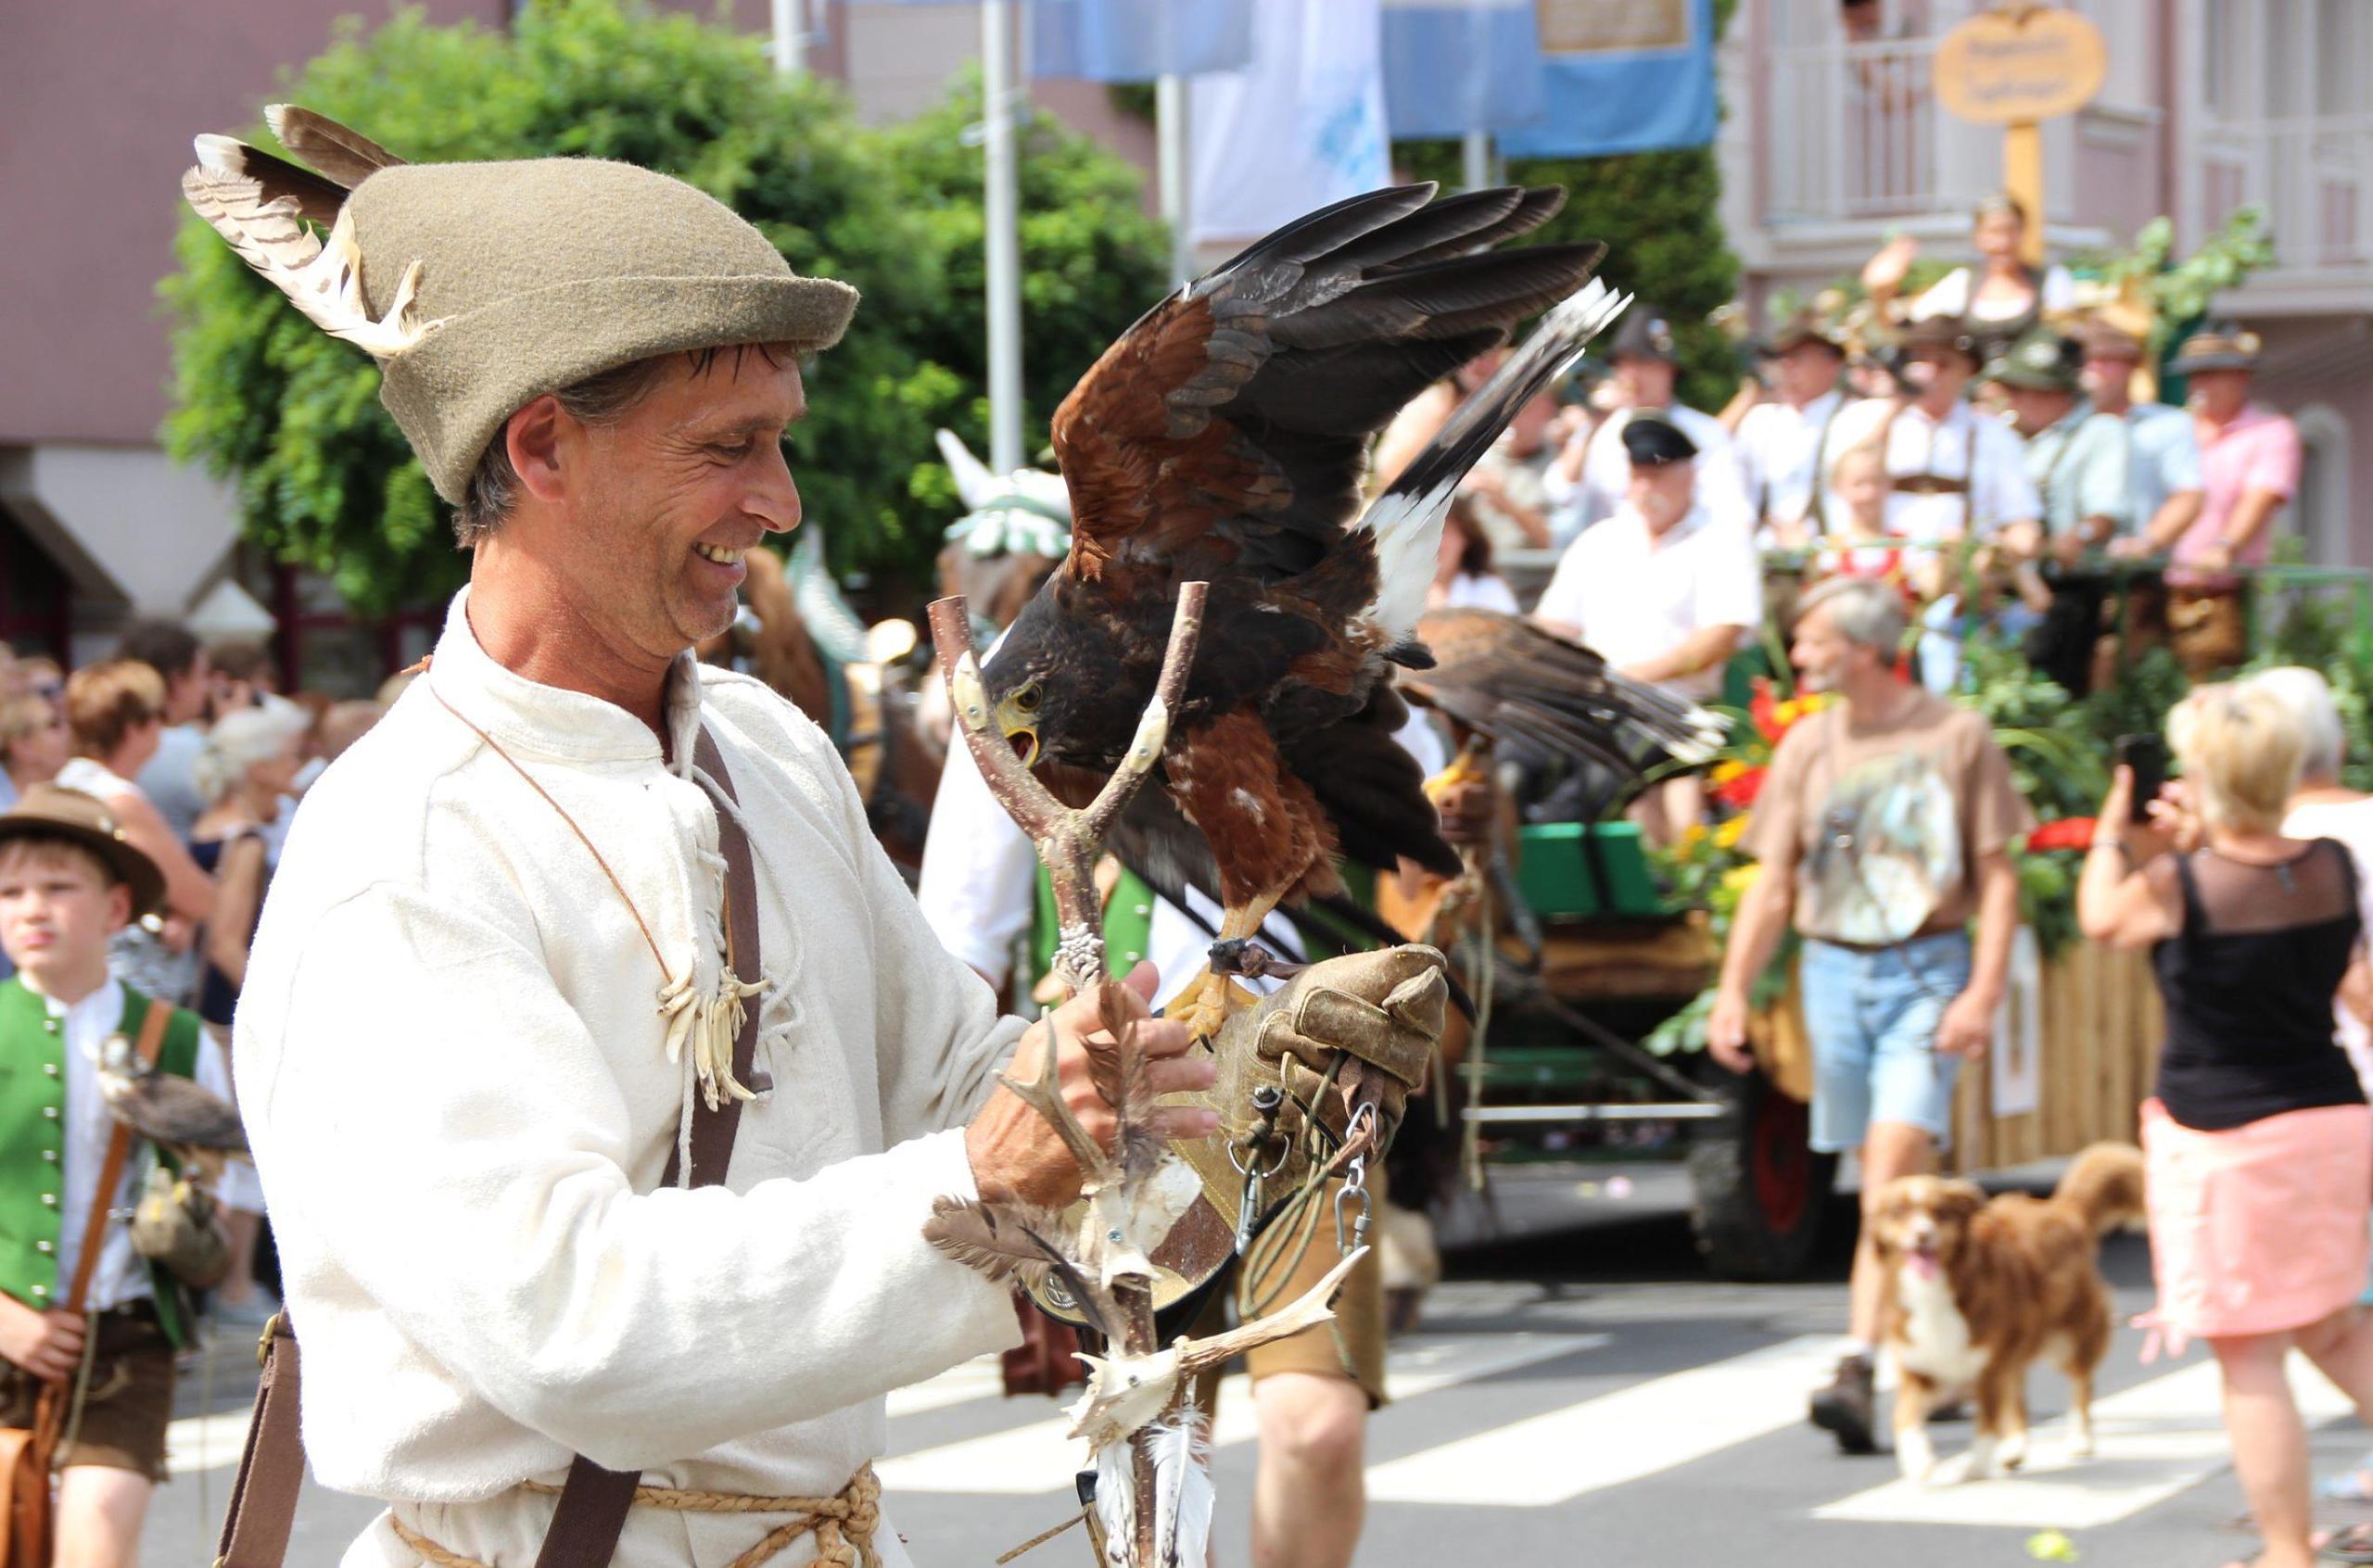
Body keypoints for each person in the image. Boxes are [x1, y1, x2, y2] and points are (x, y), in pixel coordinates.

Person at [184, 126, 1459, 1566]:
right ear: (539, 446)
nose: (779, 501)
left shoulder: (767, 750)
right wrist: (985, 1178)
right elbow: (568, 1327)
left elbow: (958, 1092)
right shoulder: (403, 843)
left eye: (777, 443)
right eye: (728, 448)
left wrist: (1212, 1088)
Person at [917, 691, 1463, 1568]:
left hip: (1311, 1095)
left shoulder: (1337, 647)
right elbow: (961, 939)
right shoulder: (1035, 667)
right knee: (1152, 1445)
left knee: (1317, 1429)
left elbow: (1423, 854)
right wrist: (996, 1151)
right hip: (1132, 1107)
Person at [1707, 575, 2030, 1453]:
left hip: (1929, 970)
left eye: (1811, 640)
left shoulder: (1957, 738)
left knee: (1889, 1178)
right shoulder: (1810, 744)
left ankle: (1859, 1363)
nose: (1798, 654)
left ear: (1860, 647)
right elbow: (1773, 884)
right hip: (1833, 975)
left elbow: (2000, 877)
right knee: (1883, 1178)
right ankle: (1946, 1344)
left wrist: (1982, 992)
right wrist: (1734, 990)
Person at [2077, 683, 2373, 1568]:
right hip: (2330, 1115)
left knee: (2250, 1359)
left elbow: (2102, 918)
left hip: (2225, 1135)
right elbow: (2347, 974)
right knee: (2331, 1326)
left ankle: (2288, 1551)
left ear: (2206, 775)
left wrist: (2110, 831)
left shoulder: (2182, 885)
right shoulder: (2326, 865)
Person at [0, 783, 240, 1568]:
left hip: (129, 1335)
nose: (32, 908)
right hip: (2, 1326)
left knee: (97, 1535)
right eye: (10, 891)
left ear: (113, 909)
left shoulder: (173, 1038)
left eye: (59, 888)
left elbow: (239, 1189)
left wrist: (200, 1240)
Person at [1534, 415, 1760, 844]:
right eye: (1637, 476)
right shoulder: (1599, 542)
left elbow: (1721, 637)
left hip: (1682, 706)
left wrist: (1632, 678)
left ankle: (1676, 883)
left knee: (1659, 771)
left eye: (1656, 476)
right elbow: (1556, 625)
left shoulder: (1721, 542)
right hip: (1593, 704)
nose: (1644, 489)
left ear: (1689, 475)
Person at [190, 702, 310, 1323]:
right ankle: (235, 1287)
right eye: (288, 754)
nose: (296, 763)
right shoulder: (242, 838)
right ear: (260, 767)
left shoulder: (216, 822)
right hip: (229, 1015)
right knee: (244, 1150)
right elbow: (226, 943)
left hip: (218, 1010)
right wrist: (278, 1005)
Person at [56, 662, 214, 1004]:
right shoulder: (117, 800)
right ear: (134, 726)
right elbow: (197, 896)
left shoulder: (67, 782)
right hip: (122, 985)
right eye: (158, 714)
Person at [1546, 307, 1754, 539]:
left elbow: (1734, 512)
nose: (1631, 375)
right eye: (1623, 364)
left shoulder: (1706, 432)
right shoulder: (1602, 428)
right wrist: (1591, 424)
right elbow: (1560, 493)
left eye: (1642, 362)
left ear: (1669, 369)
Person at [2165, 323, 2302, 674]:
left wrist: (2225, 547)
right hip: (2157, 584)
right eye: (2195, 376)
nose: (2200, 386)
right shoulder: (2175, 431)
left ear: (2241, 376)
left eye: (2212, 375)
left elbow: (2260, 497)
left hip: (2224, 590)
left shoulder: (2271, 433)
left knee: (2220, 687)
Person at [1863, 193, 2077, 366]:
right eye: (1994, 232)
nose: (2003, 242)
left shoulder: (2051, 281)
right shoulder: (1961, 283)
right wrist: (1881, 294)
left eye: (2011, 231)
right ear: (1978, 237)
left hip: (2036, 394)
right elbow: (1912, 331)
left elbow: (2068, 336)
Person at [2079, 319, 2204, 551]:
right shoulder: (2063, 427)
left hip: (2134, 573)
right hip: (2065, 568)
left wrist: (2147, 542)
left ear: (2132, 366)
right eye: (2085, 361)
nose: (2093, 370)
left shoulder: (2168, 424)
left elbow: (2189, 495)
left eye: (2106, 361)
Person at [1732, 313, 1852, 547]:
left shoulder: (1854, 417)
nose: (1786, 366)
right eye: (1780, 358)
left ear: (1833, 364)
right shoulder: (1760, 420)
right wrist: (1748, 395)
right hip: (1765, 552)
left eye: (1797, 357)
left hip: (1830, 554)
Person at [114, 621, 212, 848]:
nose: (207, 688)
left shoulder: (117, 740)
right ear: (178, 682)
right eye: (202, 675)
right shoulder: (189, 748)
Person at [1429, 494, 1521, 613]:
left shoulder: (1490, 591)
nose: (1432, 544)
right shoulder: (1398, 593)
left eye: (1442, 531)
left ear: (1465, 537)